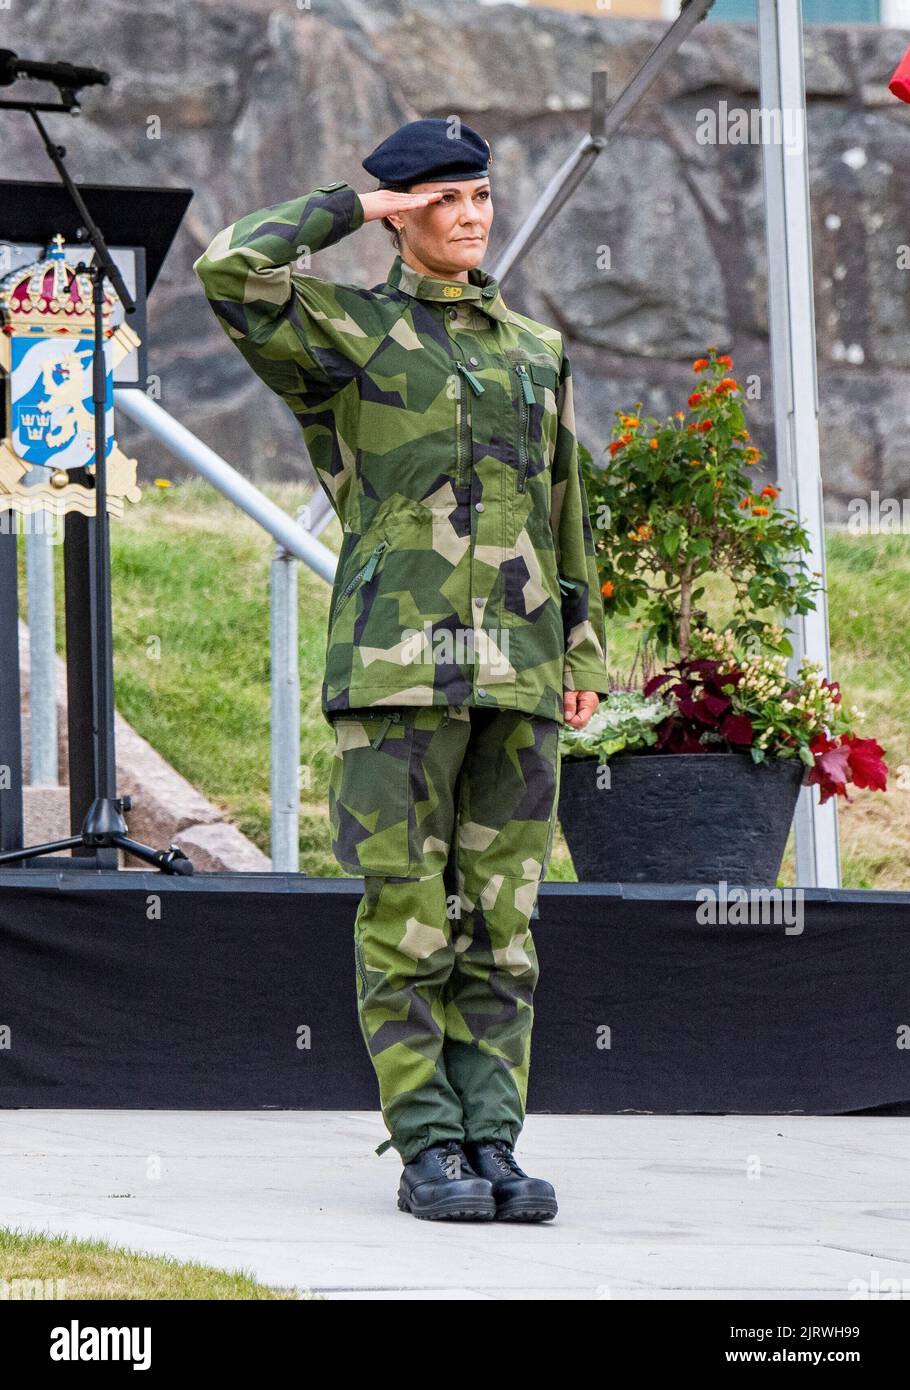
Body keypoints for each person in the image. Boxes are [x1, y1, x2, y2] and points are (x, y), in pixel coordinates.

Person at [193, 117, 610, 1223]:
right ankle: (426, 1143)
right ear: (400, 212)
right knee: (408, 913)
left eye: (479, 197)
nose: (468, 217)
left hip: (516, 673)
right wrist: (351, 208)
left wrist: (581, 648)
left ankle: (493, 1141)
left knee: (503, 922)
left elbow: (567, 509)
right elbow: (227, 267)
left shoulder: (533, 350)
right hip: (395, 672)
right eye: (443, 199)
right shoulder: (343, 333)